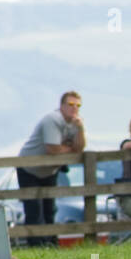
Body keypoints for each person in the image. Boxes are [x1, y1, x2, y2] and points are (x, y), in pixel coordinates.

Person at [16, 91, 85, 246]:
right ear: (62, 106)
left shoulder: (75, 123)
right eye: (71, 105)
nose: (74, 109)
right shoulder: (52, 119)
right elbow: (52, 149)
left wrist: (80, 130)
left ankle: (51, 243)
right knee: (34, 209)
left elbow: (79, 148)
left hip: (49, 171)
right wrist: (70, 149)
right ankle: (35, 245)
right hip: (29, 169)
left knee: (50, 209)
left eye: (78, 106)